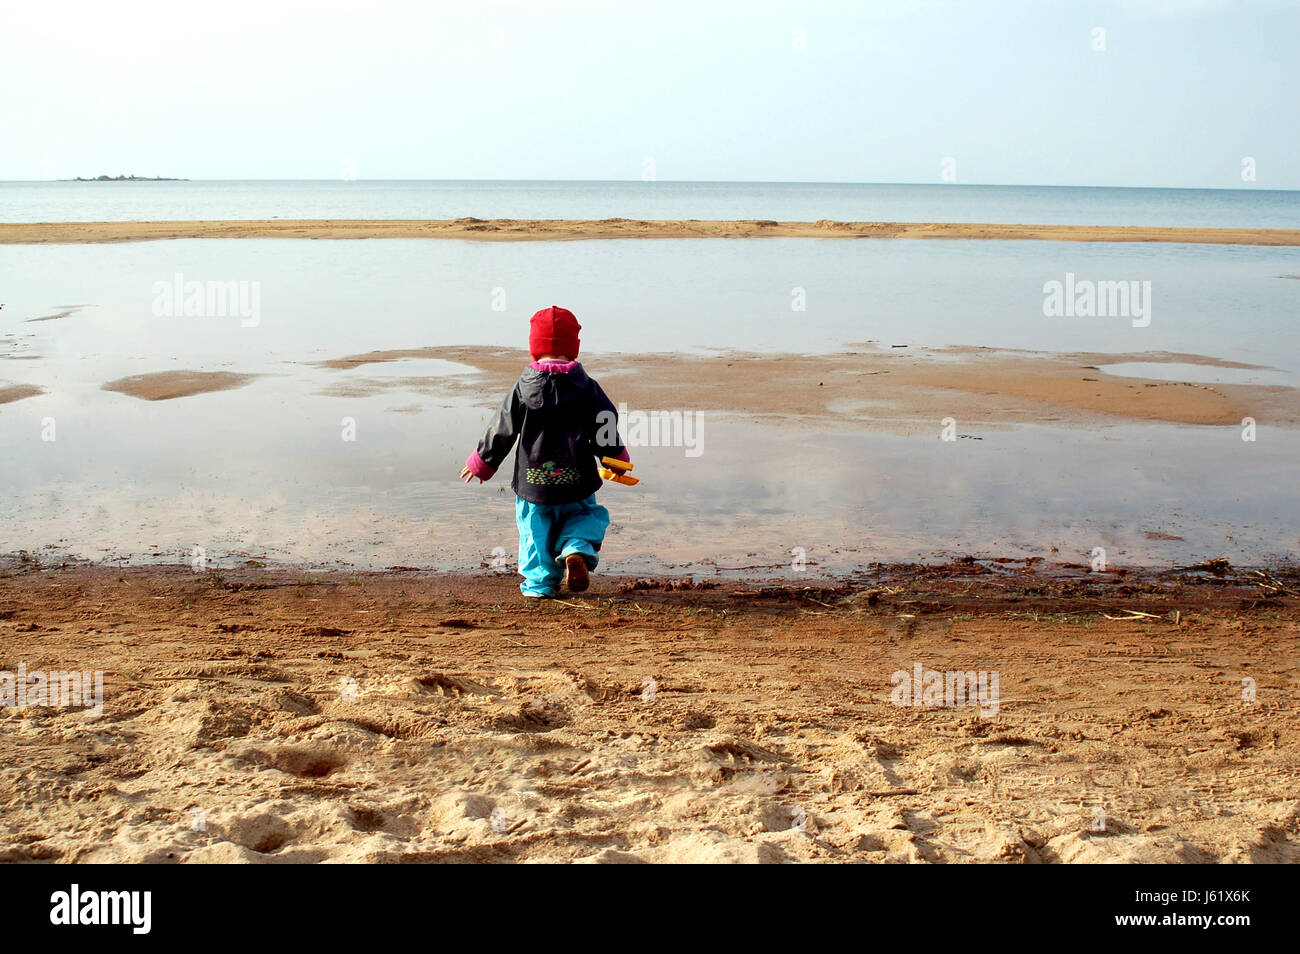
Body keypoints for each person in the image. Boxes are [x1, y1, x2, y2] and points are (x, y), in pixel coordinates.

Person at [460, 306, 629, 598]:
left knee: (535, 533)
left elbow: (502, 426)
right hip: (576, 481)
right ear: (574, 347)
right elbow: (604, 423)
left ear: (534, 349)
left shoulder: (523, 389)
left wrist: (482, 462)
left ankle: (539, 586)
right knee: (587, 515)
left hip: (533, 482)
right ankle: (575, 547)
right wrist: (615, 459)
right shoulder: (587, 388)